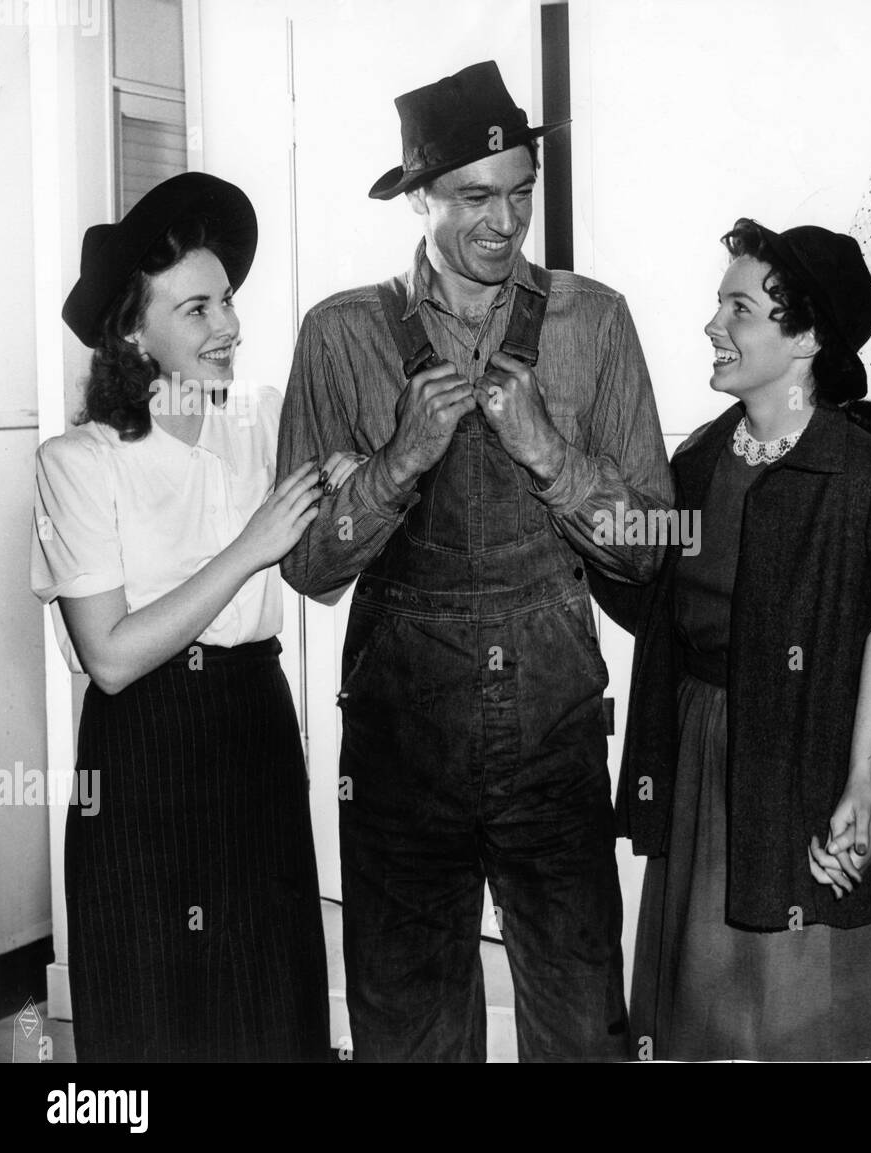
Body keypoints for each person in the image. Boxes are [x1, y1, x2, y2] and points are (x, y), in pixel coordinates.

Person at [275, 60, 673, 1062]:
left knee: (582, 1027)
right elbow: (310, 568)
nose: (506, 221)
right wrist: (399, 460)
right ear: (416, 198)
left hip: (554, 737)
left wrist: (551, 455)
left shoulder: (595, 323)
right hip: (401, 744)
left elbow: (653, 554)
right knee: (407, 1032)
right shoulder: (340, 335)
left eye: (522, 193)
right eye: (474, 198)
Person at [599, 219, 871, 1061]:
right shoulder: (698, 462)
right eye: (720, 305)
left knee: (800, 1027)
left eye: (741, 310)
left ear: (807, 338)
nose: (714, 327)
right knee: (698, 1027)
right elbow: (652, 605)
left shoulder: (870, 482)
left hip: (807, 786)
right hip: (701, 767)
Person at [32, 172, 350, 1061]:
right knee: (153, 1005)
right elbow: (113, 656)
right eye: (198, 309)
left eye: (229, 303)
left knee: (266, 997)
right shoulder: (78, 461)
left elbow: (320, 584)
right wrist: (252, 544)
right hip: (143, 747)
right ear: (135, 331)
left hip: (253, 724)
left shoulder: (263, 419)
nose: (229, 327)